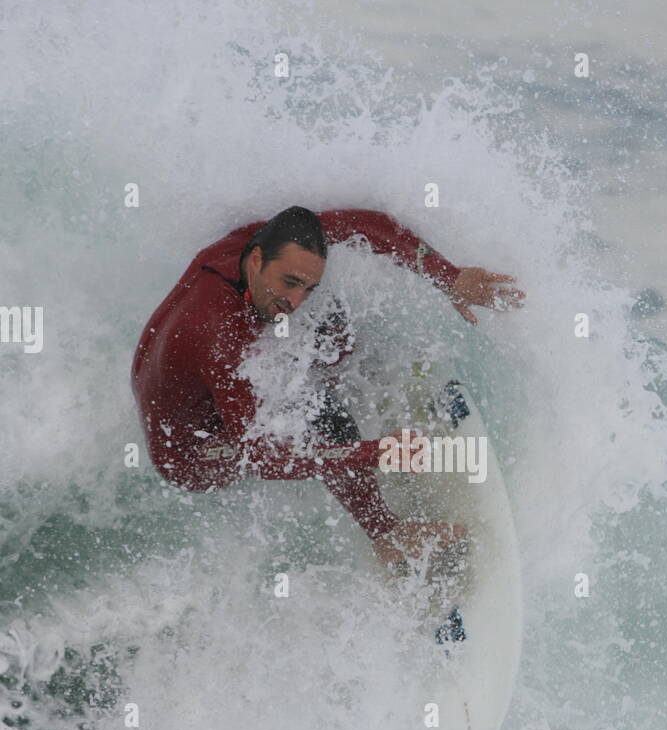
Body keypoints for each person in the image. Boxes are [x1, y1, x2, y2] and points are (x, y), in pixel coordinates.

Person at [131, 206, 523, 565]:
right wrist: (374, 452)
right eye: (289, 283)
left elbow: (367, 226)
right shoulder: (219, 336)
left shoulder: (263, 244)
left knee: (331, 318)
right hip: (193, 451)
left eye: (306, 287)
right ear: (256, 260)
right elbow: (263, 456)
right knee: (325, 418)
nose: (295, 300)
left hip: (208, 383)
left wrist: (449, 276)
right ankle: (388, 535)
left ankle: (340, 371)